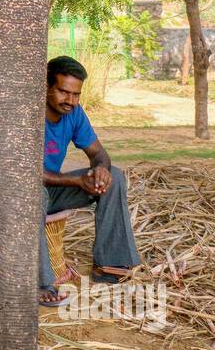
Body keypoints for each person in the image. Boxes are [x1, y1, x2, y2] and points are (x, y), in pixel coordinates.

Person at [38, 56, 140, 306]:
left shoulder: (74, 113)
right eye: (63, 92)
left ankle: (110, 265)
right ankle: (40, 283)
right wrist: (76, 181)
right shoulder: (28, 114)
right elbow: (24, 174)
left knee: (115, 177)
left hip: (53, 192)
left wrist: (100, 170)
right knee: (33, 194)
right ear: (45, 86)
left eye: (76, 94)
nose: (71, 101)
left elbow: (99, 154)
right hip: (24, 194)